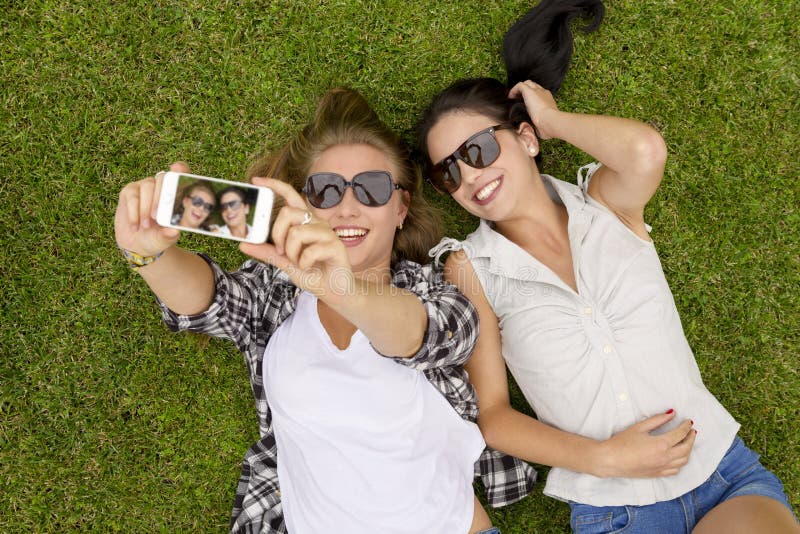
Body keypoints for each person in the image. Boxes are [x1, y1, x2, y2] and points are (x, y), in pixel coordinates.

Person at [418, 1, 800, 532]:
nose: (468, 176)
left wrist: (550, 119)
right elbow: (496, 418)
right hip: (616, 509)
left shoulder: (606, 205)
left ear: (526, 139)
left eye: (478, 149)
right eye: (449, 173)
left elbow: (645, 150)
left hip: (723, 476)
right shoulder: (470, 267)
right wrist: (605, 459)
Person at [114, 88, 535, 534]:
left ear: (401, 208)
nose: (348, 207)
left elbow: (429, 336)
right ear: (307, 205)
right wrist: (150, 255)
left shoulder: (438, 290)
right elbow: (210, 301)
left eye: (372, 188)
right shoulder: (278, 294)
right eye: (327, 190)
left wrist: (339, 287)